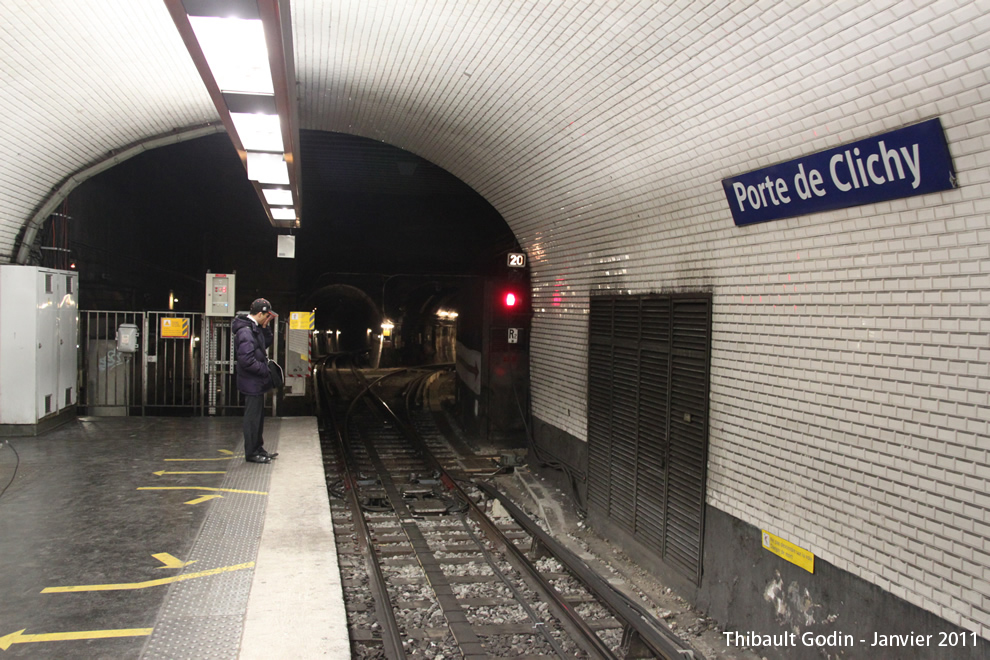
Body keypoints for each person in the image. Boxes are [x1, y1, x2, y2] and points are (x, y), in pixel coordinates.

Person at [232, 298, 280, 463]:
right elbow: (246, 360)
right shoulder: (245, 331)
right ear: (260, 313)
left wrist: (266, 328)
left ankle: (258, 448)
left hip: (256, 382)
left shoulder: (254, 328)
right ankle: (252, 453)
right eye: (266, 316)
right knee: (252, 419)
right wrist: (264, 370)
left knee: (258, 418)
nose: (267, 318)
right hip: (251, 382)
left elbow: (265, 344)